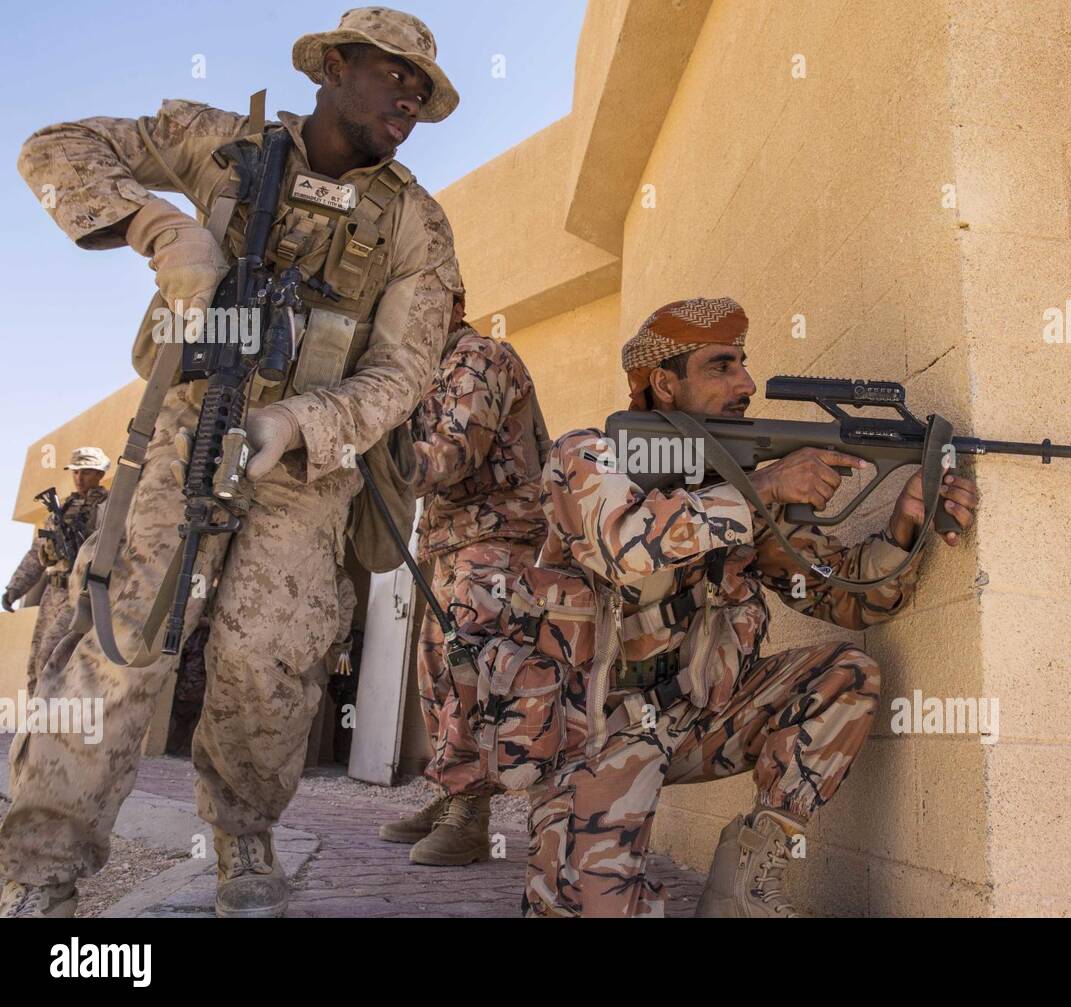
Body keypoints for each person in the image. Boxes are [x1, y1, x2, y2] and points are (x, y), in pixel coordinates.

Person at [0, 7, 463, 919]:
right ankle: (42, 867)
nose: (408, 98)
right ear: (332, 66)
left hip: (309, 465)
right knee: (121, 642)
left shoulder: (417, 223)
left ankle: (245, 842)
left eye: (423, 89)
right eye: (392, 74)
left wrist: (298, 421)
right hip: (183, 429)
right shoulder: (219, 142)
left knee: (271, 660)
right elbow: (54, 146)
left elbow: (406, 370)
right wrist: (159, 227)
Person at [481, 296, 980, 917]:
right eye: (721, 366)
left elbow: (841, 594)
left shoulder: (741, 483)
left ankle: (740, 889)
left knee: (847, 675)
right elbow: (624, 548)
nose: (745, 383)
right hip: (597, 731)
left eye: (743, 363)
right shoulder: (587, 456)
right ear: (664, 382)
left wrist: (905, 524)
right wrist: (764, 489)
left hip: (701, 716)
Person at [377, 290, 549, 866]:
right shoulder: (428, 372)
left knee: (469, 668)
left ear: (452, 304)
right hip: (454, 540)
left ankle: (471, 816)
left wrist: (375, 454)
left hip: (499, 540)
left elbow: (456, 451)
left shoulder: (476, 358)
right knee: (437, 671)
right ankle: (452, 792)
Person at [2, 447, 110, 694]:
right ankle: (35, 723)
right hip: (53, 593)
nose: (79, 478)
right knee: (35, 662)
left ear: (100, 474)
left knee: (53, 656)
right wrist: (15, 588)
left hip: (83, 593)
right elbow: (35, 555)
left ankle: (55, 719)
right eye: (76, 472)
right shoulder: (60, 511)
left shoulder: (110, 507)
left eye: (87, 472)